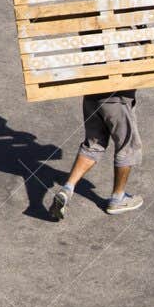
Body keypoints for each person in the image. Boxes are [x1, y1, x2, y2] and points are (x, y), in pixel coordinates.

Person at [49, 88, 143, 218]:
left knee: (93, 146)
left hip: (91, 96)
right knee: (127, 147)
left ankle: (67, 190)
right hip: (117, 99)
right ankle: (118, 198)